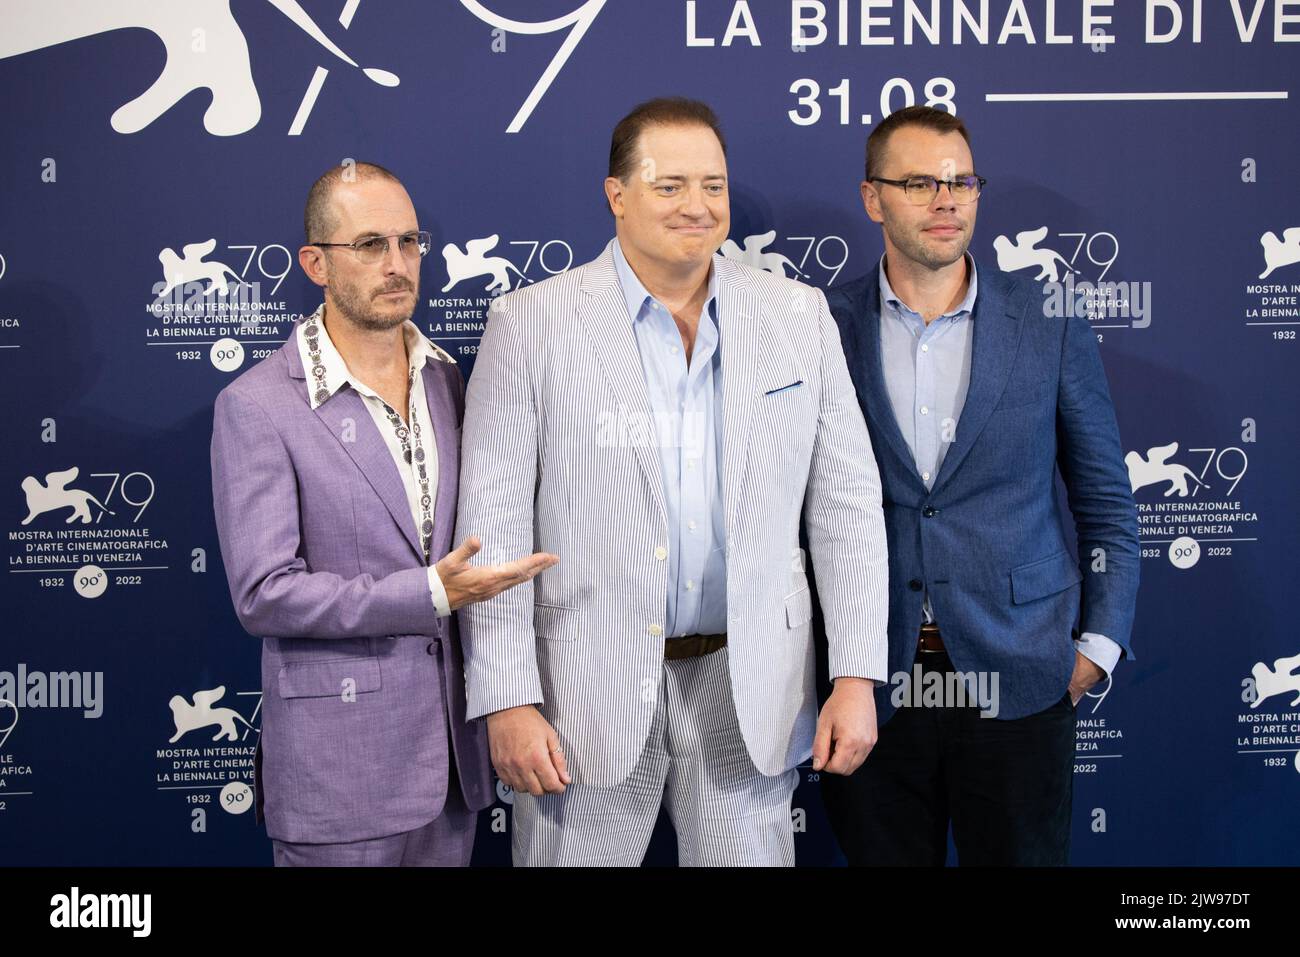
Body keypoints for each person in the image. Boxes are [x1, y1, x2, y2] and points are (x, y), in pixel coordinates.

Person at [456, 98, 889, 867]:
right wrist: (507, 696)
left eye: (714, 185)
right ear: (616, 195)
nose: (698, 206)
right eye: (670, 185)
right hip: (579, 690)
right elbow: (492, 524)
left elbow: (847, 510)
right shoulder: (531, 324)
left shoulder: (799, 316)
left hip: (749, 686)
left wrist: (855, 673)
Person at [210, 161, 556, 866]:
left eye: (409, 242)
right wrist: (430, 593)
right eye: (370, 245)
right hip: (338, 779)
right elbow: (263, 592)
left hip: (453, 772)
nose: (397, 264)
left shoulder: (448, 379)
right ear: (315, 262)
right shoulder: (258, 405)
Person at [820, 106, 1140, 866]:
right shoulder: (820, 323)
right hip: (871, 676)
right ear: (873, 198)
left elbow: (1104, 499)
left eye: (962, 181)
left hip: (1022, 671)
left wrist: (1098, 643)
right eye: (920, 182)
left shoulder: (1047, 317)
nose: (947, 199)